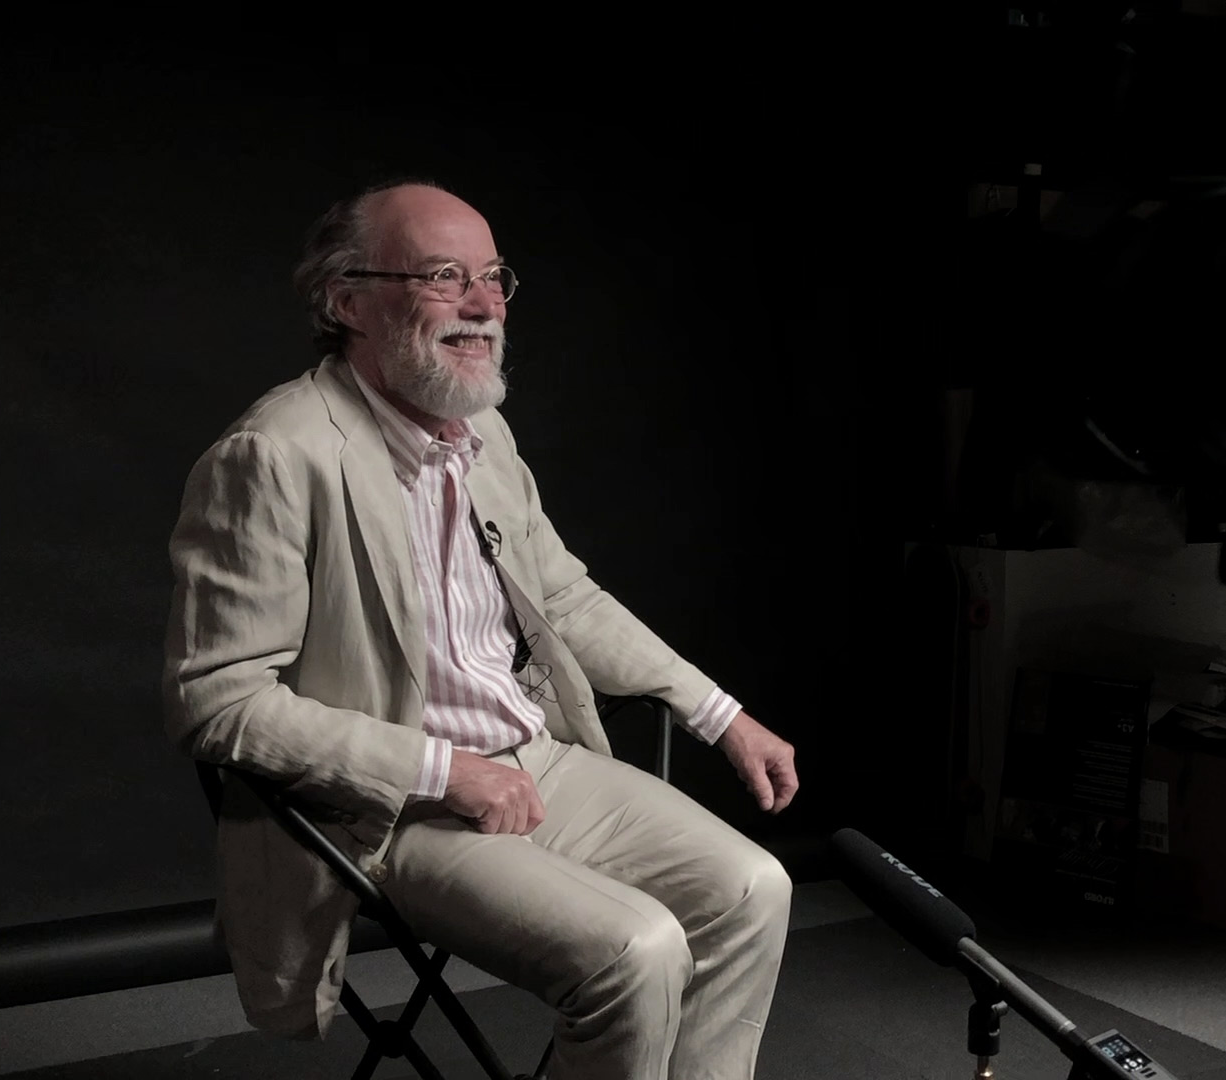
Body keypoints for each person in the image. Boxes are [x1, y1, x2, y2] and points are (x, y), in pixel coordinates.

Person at [163, 180, 800, 1080]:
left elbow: (565, 598)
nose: (483, 304)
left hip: (530, 759)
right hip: (390, 809)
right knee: (637, 950)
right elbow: (216, 703)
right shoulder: (272, 456)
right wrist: (444, 770)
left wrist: (721, 714)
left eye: (494, 276)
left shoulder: (482, 429)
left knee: (753, 889)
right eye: (443, 276)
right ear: (347, 301)